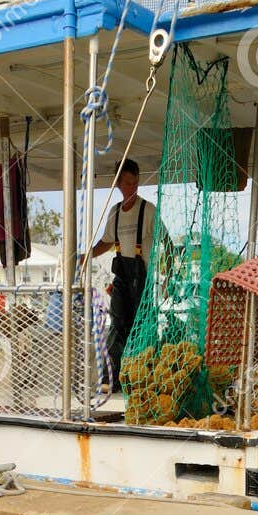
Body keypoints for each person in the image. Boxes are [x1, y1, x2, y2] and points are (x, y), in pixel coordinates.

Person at [91, 158, 158, 391]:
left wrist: (167, 274)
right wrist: (86, 256)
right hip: (121, 278)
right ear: (119, 184)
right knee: (116, 325)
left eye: (135, 183)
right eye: (128, 183)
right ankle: (110, 379)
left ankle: (142, 379)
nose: (132, 188)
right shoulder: (115, 212)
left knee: (142, 327)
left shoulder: (148, 210)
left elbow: (165, 241)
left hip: (143, 278)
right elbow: (106, 242)